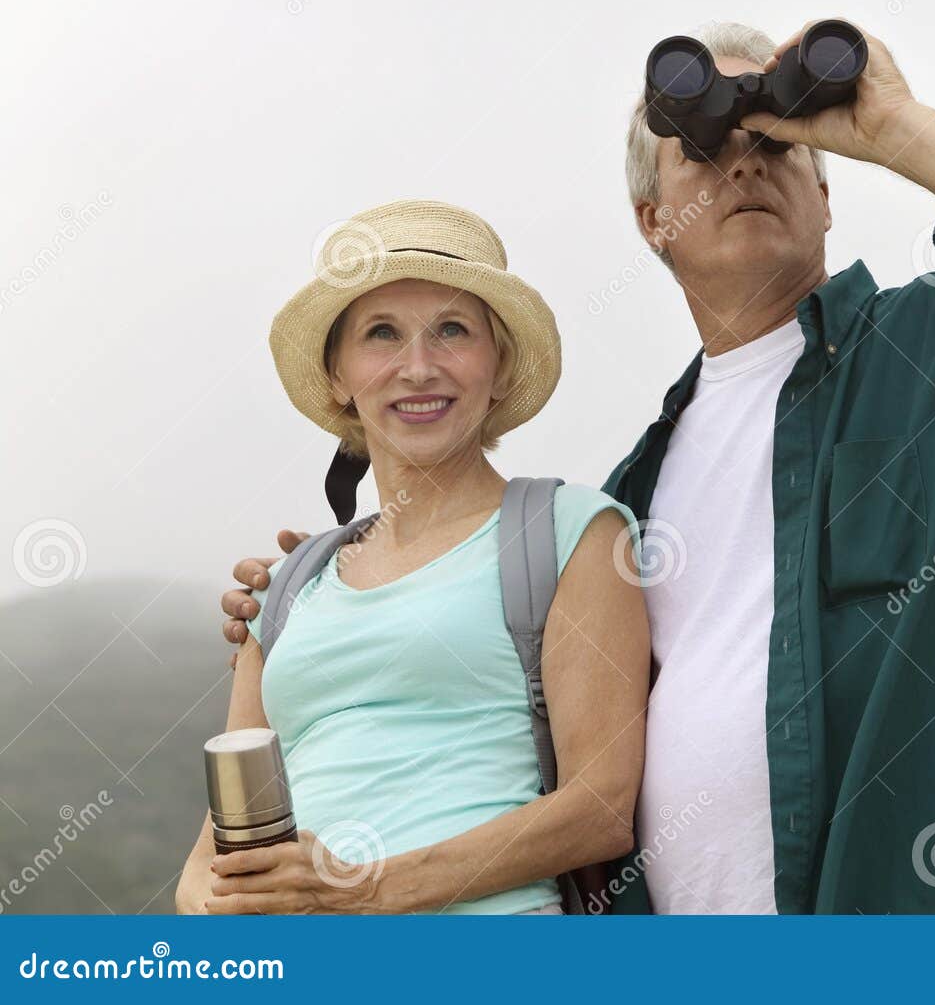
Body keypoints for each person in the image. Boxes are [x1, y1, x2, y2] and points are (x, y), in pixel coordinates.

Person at [221, 21, 935, 913]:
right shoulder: (629, 491)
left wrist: (890, 125)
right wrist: (339, 580)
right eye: (708, 145)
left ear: (827, 191)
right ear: (652, 221)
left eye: (778, 142)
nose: (744, 161)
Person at [181, 200, 649, 914]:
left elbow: (602, 804)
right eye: (381, 334)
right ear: (338, 376)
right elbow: (213, 852)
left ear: (498, 367)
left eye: (452, 330)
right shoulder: (284, 586)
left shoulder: (571, 532)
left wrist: (362, 891)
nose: (419, 367)